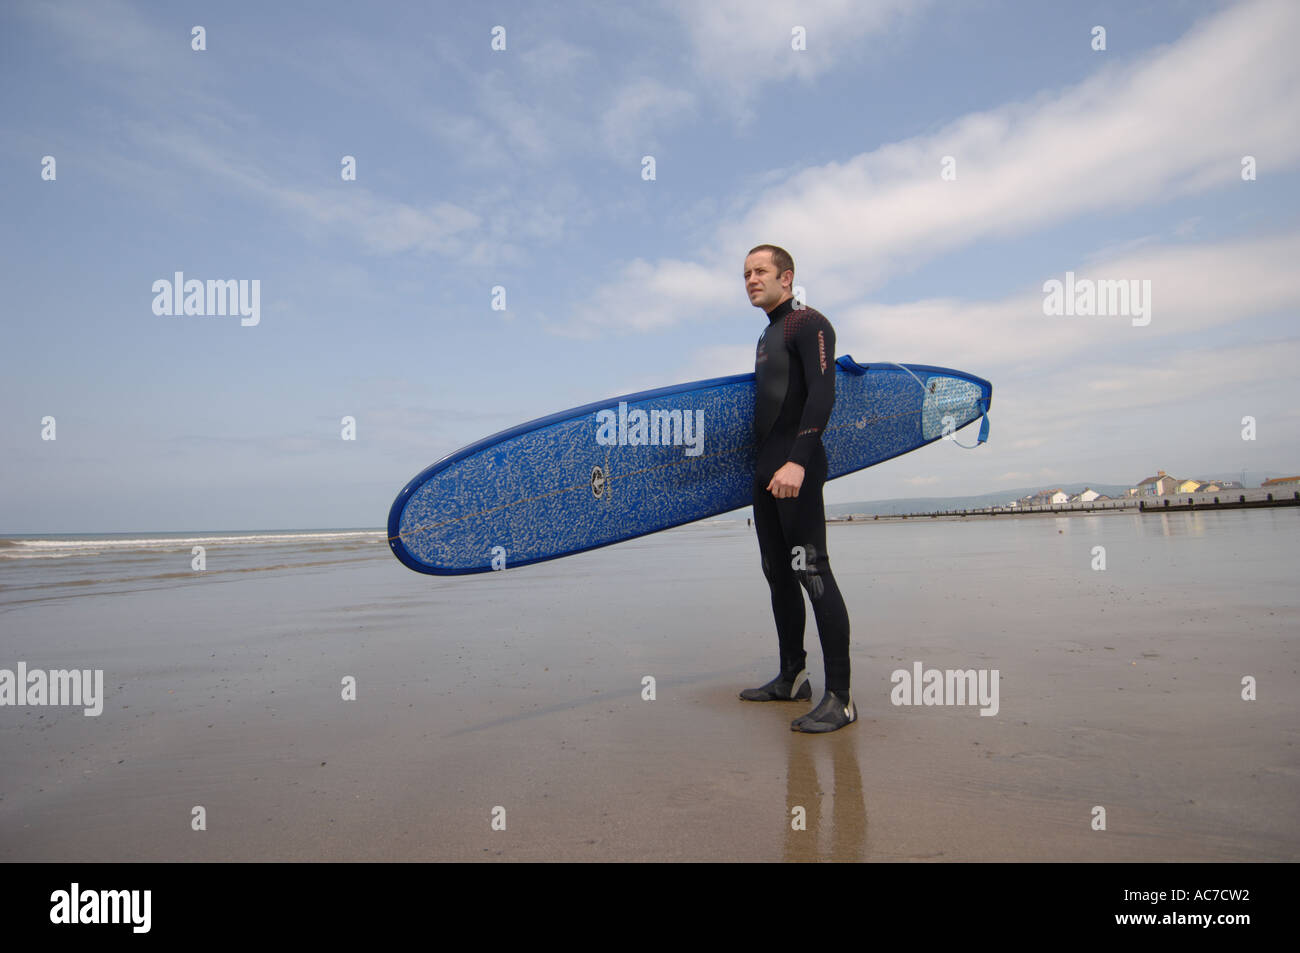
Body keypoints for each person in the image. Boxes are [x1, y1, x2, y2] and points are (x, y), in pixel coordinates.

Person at [739, 244, 855, 733]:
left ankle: (842, 698)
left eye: (760, 271)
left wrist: (797, 462)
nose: (750, 279)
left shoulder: (808, 324)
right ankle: (793, 677)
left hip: (795, 469)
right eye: (745, 273)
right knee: (777, 574)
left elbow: (822, 393)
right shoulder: (766, 335)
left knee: (812, 571)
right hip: (765, 472)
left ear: (787, 277)